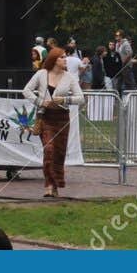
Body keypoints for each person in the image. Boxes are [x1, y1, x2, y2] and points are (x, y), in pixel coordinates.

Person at [24, 47, 83, 198]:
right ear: (54, 59)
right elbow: (26, 90)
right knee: (49, 149)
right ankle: (49, 185)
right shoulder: (41, 74)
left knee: (59, 153)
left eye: (65, 57)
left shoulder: (69, 77)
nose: (65, 59)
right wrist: (40, 102)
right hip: (46, 118)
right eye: (62, 57)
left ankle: (55, 184)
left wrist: (65, 99)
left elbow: (80, 98)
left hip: (62, 118)